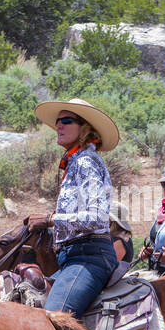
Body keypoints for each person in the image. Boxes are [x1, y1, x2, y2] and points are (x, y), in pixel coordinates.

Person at [24, 97, 119, 318]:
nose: (58, 125)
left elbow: (97, 218)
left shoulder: (85, 162)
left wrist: (50, 220)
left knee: (52, 321)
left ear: (85, 127)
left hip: (88, 258)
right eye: (57, 121)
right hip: (73, 258)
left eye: (66, 120)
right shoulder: (76, 162)